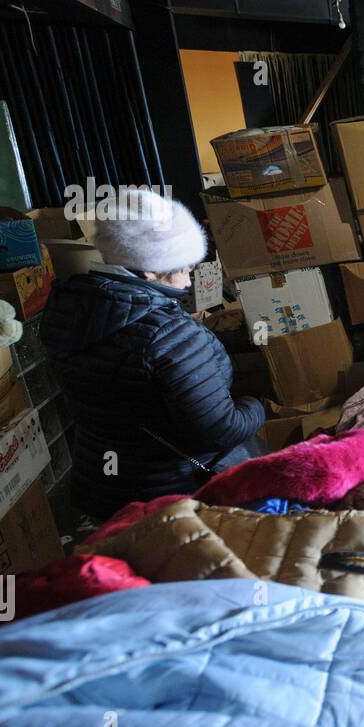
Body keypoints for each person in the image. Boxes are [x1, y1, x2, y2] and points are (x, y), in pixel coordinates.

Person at [41, 188, 266, 521]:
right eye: (182, 269)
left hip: (103, 486)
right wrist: (257, 405)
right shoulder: (168, 335)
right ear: (147, 271)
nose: (189, 281)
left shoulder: (68, 308)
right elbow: (222, 429)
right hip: (168, 495)